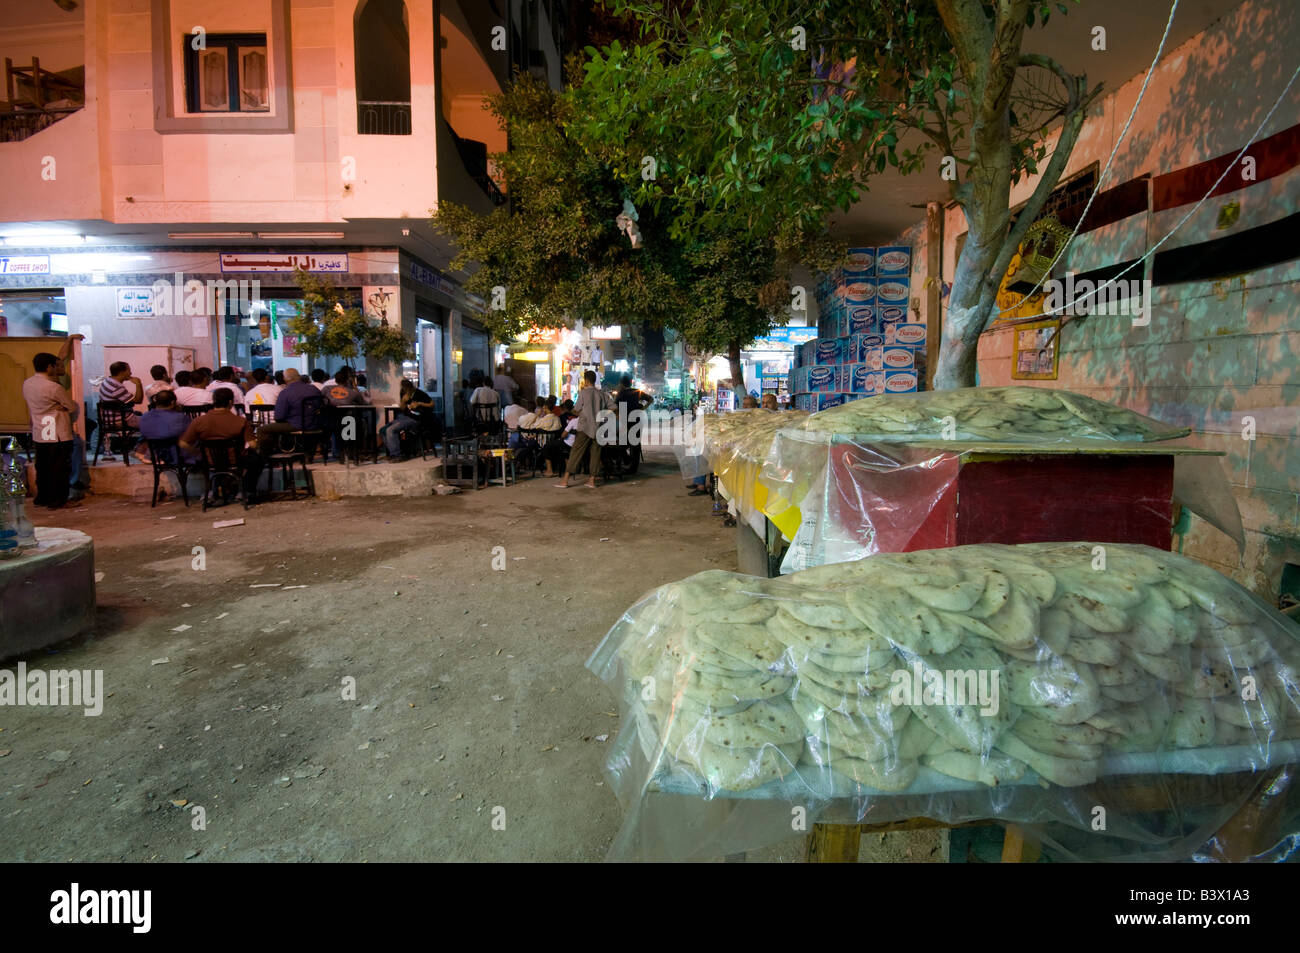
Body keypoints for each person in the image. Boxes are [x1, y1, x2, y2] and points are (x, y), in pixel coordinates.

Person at [179, 387, 264, 501]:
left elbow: (183, 443)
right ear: (230, 402)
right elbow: (253, 445)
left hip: (210, 462)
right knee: (258, 459)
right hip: (235, 460)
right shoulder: (240, 421)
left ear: (213, 402)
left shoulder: (199, 421)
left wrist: (198, 453)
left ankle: (212, 490)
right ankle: (247, 490)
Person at [22, 352, 80, 509]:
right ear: (49, 367)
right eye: (55, 365)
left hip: (40, 431)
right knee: (60, 468)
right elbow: (71, 406)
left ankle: (43, 497)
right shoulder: (54, 387)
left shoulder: (27, 384)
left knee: (43, 466)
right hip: (58, 431)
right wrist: (59, 407)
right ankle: (58, 500)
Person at [554, 370, 610, 489]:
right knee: (595, 454)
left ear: (586, 380)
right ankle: (591, 481)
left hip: (585, 427)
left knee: (576, 452)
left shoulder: (584, 393)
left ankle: (565, 480)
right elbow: (613, 408)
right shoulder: (602, 394)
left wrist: (574, 412)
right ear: (594, 380)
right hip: (598, 427)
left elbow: (576, 409)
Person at [256, 367, 322, 452]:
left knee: (262, 429)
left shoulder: (285, 393)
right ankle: (308, 454)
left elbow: (279, 416)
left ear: (285, 379)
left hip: (295, 425)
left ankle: (264, 457)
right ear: (299, 376)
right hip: (315, 423)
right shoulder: (314, 389)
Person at [138, 390, 199, 465]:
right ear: (173, 402)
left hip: (154, 454)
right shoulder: (180, 418)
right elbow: (192, 433)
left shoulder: (145, 417)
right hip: (175, 455)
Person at [381, 379, 435, 460]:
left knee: (390, 430)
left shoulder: (419, 393)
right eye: (404, 389)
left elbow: (432, 404)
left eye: (407, 389)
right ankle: (394, 453)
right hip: (404, 417)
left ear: (411, 387)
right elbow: (402, 408)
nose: (406, 391)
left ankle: (397, 455)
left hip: (416, 419)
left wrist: (419, 403)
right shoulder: (403, 393)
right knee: (383, 430)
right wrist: (403, 401)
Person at [99, 361, 144, 426]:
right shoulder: (117, 387)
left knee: (141, 414)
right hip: (120, 420)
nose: (131, 373)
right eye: (129, 371)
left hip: (108, 418)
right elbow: (138, 400)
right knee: (153, 421)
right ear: (122, 373)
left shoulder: (106, 381)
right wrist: (138, 384)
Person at [541, 413, 579, 479]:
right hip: (578, 446)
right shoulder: (587, 422)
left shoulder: (574, 421)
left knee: (547, 446)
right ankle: (568, 468)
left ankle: (549, 470)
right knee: (558, 446)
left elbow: (563, 435)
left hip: (567, 444)